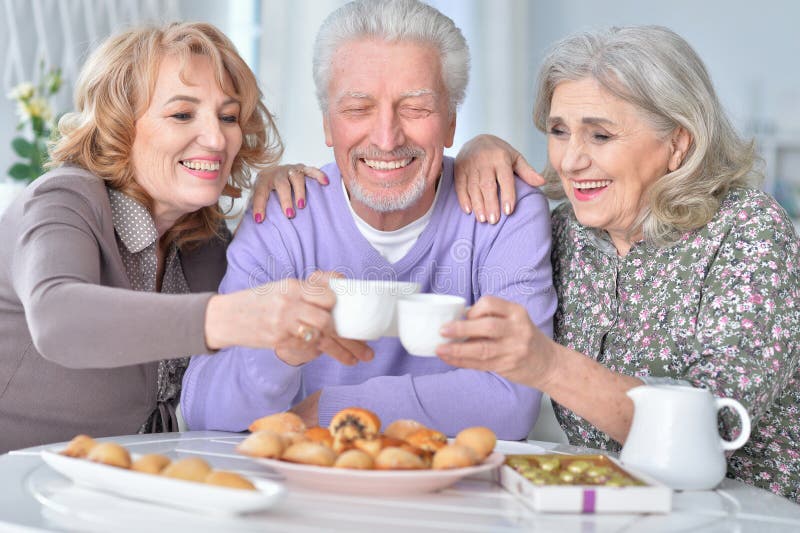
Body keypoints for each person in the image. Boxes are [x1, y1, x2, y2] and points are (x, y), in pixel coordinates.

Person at [439, 26, 800, 501]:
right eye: (558, 131)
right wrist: (474, 149)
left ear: (678, 144)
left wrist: (547, 365)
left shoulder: (748, 228)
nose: (570, 160)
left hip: (746, 513)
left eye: (601, 134)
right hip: (607, 506)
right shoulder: (565, 230)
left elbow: (714, 423)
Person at [181, 0, 556, 440]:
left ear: (452, 123)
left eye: (415, 108)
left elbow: (511, 401)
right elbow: (207, 411)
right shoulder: (281, 214)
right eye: (357, 109)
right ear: (327, 124)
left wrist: (329, 409)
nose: (386, 138)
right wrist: (278, 353)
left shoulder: (504, 207)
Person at [0, 22, 360, 453]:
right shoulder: (63, 199)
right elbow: (59, 319)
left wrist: (281, 189)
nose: (216, 138)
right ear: (120, 125)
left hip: (125, 487)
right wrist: (236, 316)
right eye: (182, 114)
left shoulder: (202, 237)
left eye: (228, 117)